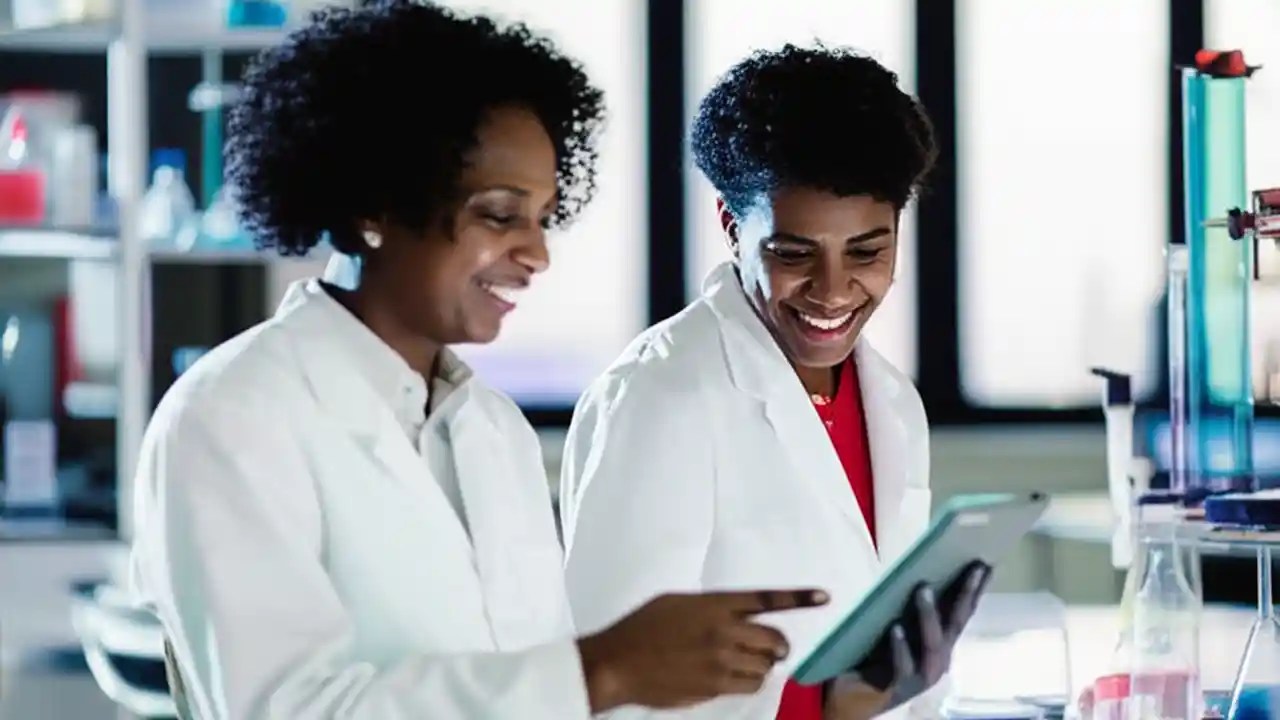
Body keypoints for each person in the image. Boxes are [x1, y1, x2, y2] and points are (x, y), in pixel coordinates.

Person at [127, 5, 828, 718]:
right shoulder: (230, 418)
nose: (536, 253)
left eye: (543, 217)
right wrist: (600, 670)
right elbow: (286, 709)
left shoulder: (493, 430)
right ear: (374, 205)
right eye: (499, 215)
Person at [560, 45, 991, 719]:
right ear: (732, 227)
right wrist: (826, 708)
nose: (832, 290)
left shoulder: (892, 400)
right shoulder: (660, 395)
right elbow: (618, 688)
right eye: (793, 253)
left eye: (867, 252)